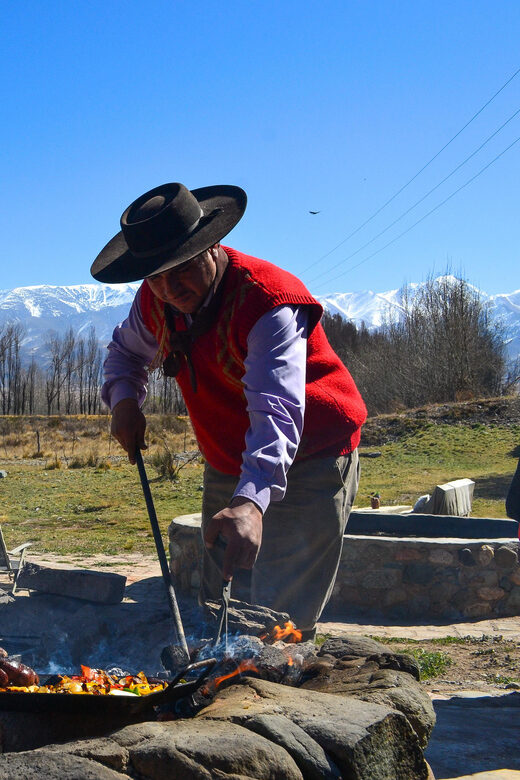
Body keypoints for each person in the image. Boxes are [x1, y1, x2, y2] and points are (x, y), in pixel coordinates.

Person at [91, 182, 367, 639]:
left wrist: (251, 502)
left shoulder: (267, 300)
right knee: (219, 611)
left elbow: (275, 410)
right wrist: (123, 401)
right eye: (154, 275)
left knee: (279, 621)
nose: (168, 287)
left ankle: (276, 702)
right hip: (226, 459)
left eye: (179, 269)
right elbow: (125, 354)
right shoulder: (156, 298)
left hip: (310, 459)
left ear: (211, 246)